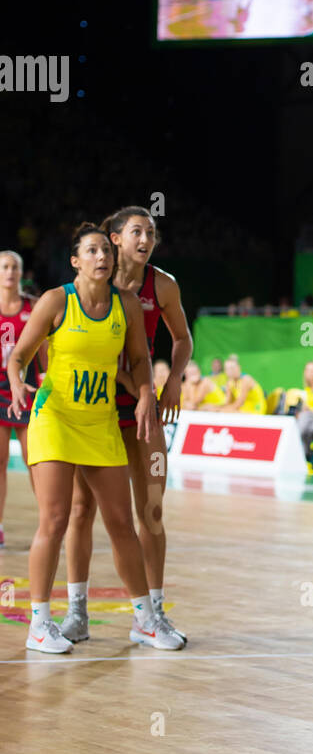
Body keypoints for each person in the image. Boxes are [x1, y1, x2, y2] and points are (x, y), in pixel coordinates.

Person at [6, 224, 182, 653]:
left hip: (100, 422)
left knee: (121, 522)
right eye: (92, 251)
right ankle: (40, 624)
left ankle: (145, 620)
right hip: (55, 418)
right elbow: (19, 355)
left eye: (105, 250)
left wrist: (146, 393)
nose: (102, 257)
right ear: (75, 261)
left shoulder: (126, 305)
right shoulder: (55, 300)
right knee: (56, 518)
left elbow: (139, 360)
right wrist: (15, 382)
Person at [59, 206, 192, 647]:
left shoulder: (163, 285)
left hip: (143, 410)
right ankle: (76, 614)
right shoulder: (95, 283)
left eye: (151, 232)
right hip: (95, 409)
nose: (146, 239)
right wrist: (136, 384)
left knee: (151, 511)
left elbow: (182, 338)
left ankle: (152, 614)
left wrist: (173, 380)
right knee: (81, 510)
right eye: (137, 231)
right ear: (115, 239)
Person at [0, 250, 43, 546]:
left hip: (27, 390)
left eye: (14, 267)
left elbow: (45, 352)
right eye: (4, 267)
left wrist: (45, 383)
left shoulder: (34, 306)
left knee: (35, 461)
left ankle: (50, 522)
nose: (10, 272)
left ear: (21, 272)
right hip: (0, 390)